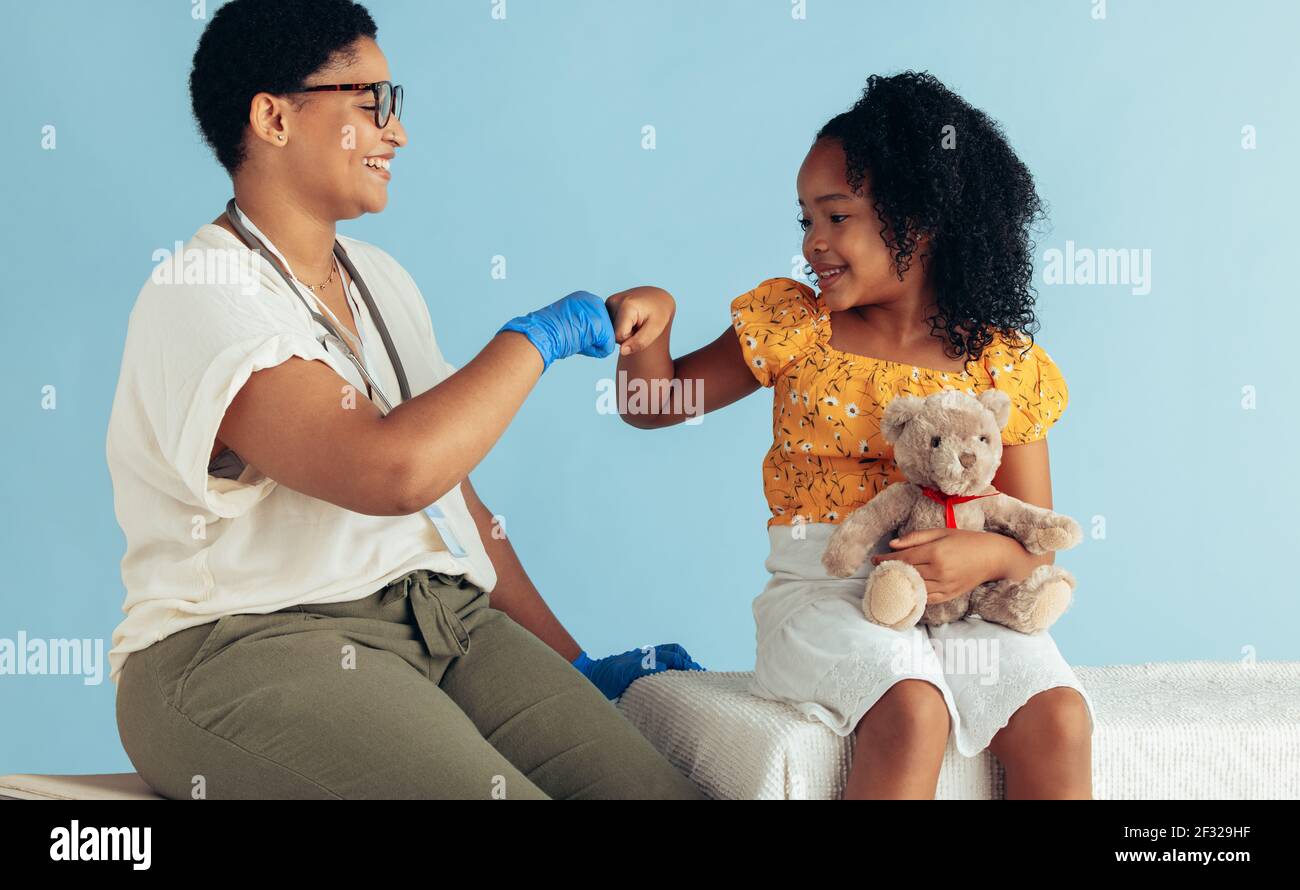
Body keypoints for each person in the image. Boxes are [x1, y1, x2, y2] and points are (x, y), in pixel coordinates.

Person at [108, 0, 705, 800]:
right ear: (274, 117)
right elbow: (393, 471)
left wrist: (573, 663)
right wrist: (539, 337)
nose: (398, 132)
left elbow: (453, 494)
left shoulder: (379, 278)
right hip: (249, 643)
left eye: (397, 105)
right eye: (372, 103)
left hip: (439, 621)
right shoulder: (202, 289)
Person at [606, 72, 1095, 799]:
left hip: (966, 603)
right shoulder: (799, 326)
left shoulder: (1005, 364)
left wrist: (983, 554)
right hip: (824, 595)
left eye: (837, 218)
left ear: (919, 220)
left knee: (1059, 717)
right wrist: (654, 317)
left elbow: (1036, 542)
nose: (814, 244)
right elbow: (654, 401)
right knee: (912, 709)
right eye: (805, 220)